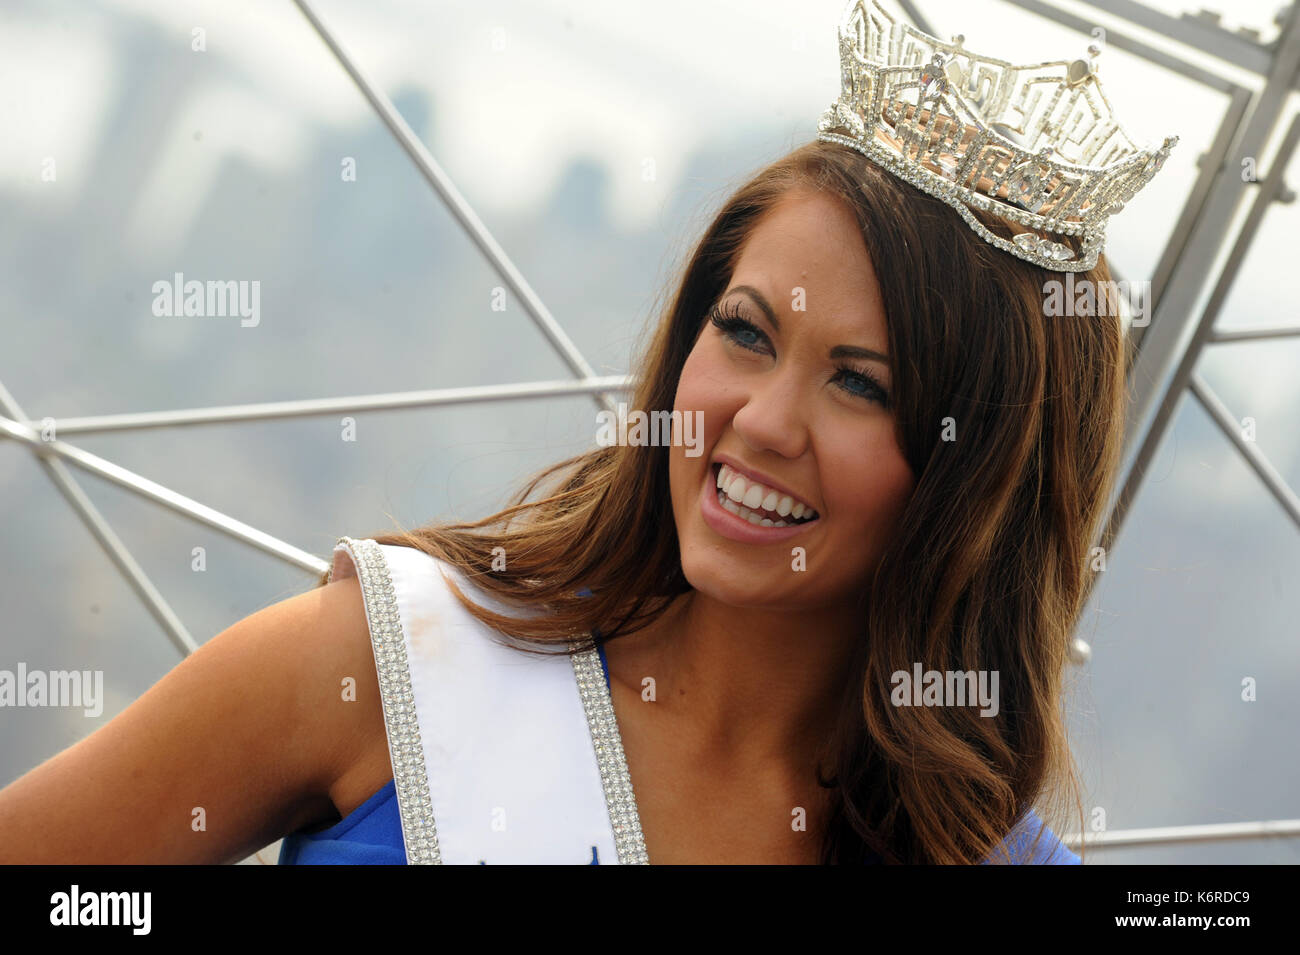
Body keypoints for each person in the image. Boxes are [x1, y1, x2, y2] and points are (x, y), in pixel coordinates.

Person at [0, 0, 1176, 864]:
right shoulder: (380, 659)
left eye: (861, 386)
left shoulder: (990, 861)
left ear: (985, 475)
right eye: (746, 333)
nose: (760, 423)